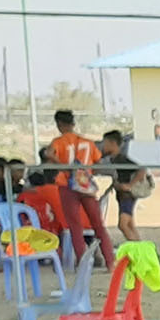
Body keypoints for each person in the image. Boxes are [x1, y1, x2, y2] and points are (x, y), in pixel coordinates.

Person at [48, 110, 114, 266]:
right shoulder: (88, 143)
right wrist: (88, 173)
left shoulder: (58, 141)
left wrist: (64, 167)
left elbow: (49, 154)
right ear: (73, 123)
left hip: (67, 184)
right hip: (86, 184)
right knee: (98, 224)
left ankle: (82, 261)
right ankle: (110, 261)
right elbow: (98, 162)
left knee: (75, 226)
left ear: (59, 124)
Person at [96, 131, 143, 244]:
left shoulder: (123, 158)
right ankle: (141, 248)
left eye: (105, 143)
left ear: (113, 143)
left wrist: (129, 185)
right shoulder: (112, 158)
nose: (103, 146)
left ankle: (139, 250)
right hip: (121, 195)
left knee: (123, 225)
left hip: (128, 195)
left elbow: (142, 170)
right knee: (130, 224)